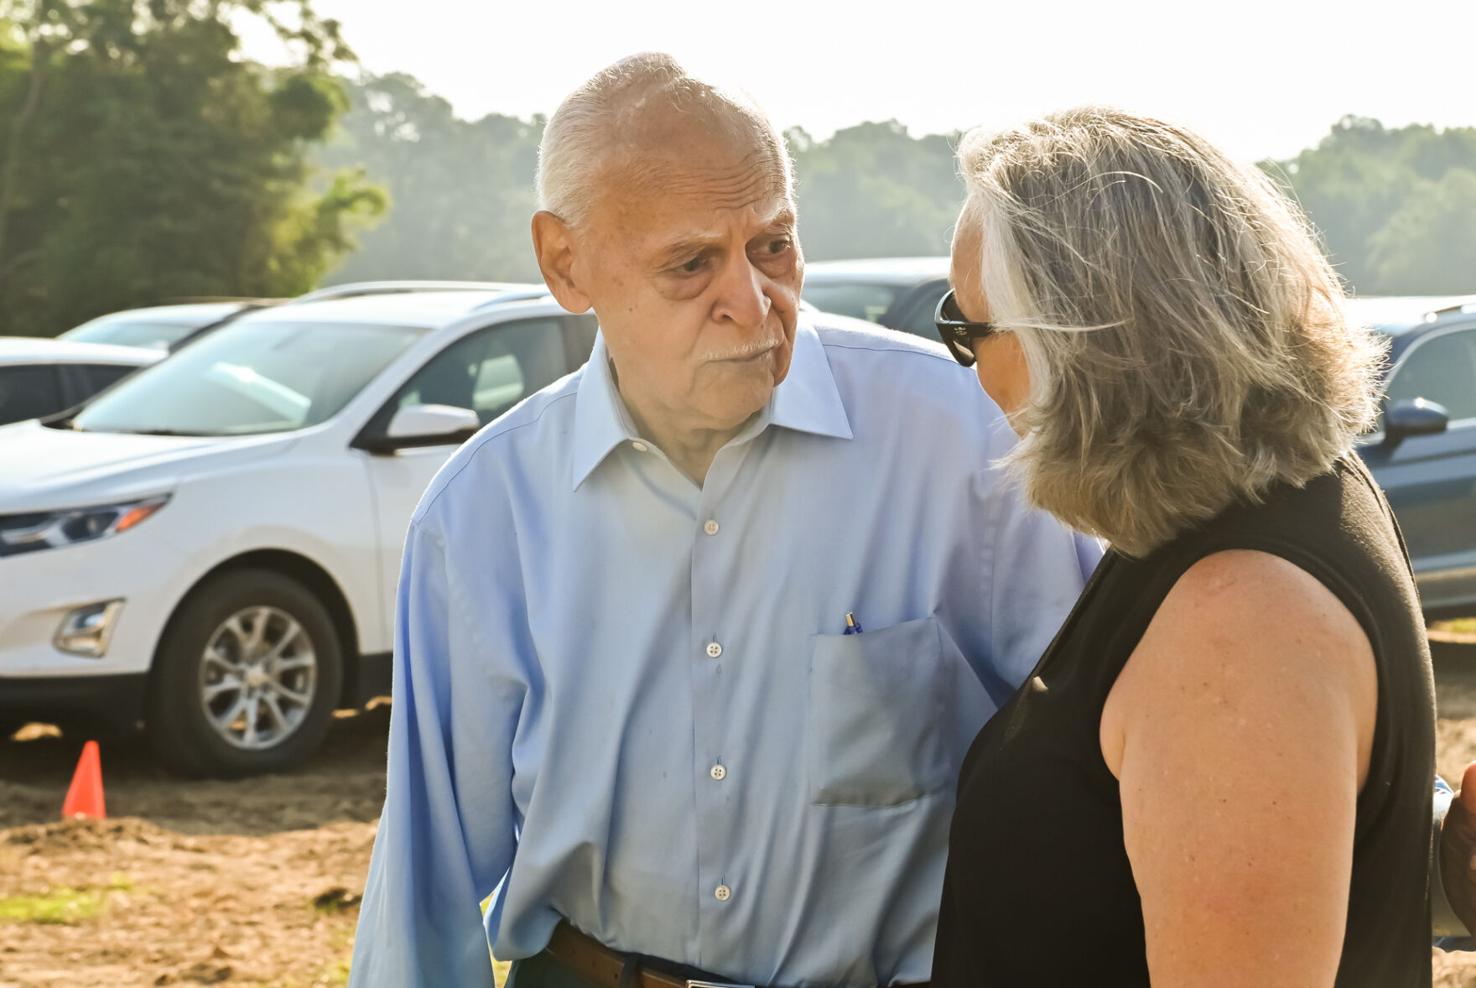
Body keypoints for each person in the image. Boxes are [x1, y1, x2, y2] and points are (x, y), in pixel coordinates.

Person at [347, 54, 1097, 987]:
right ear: (564, 262)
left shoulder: (964, 445)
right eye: (691, 262)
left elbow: (1101, 776)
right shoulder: (483, 515)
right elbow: (428, 879)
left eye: (773, 245)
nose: (751, 301)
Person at [929, 107, 1435, 987]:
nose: (971, 369)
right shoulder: (1286, 498)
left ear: (1080, 339)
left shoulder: (1238, 616)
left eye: (968, 328)